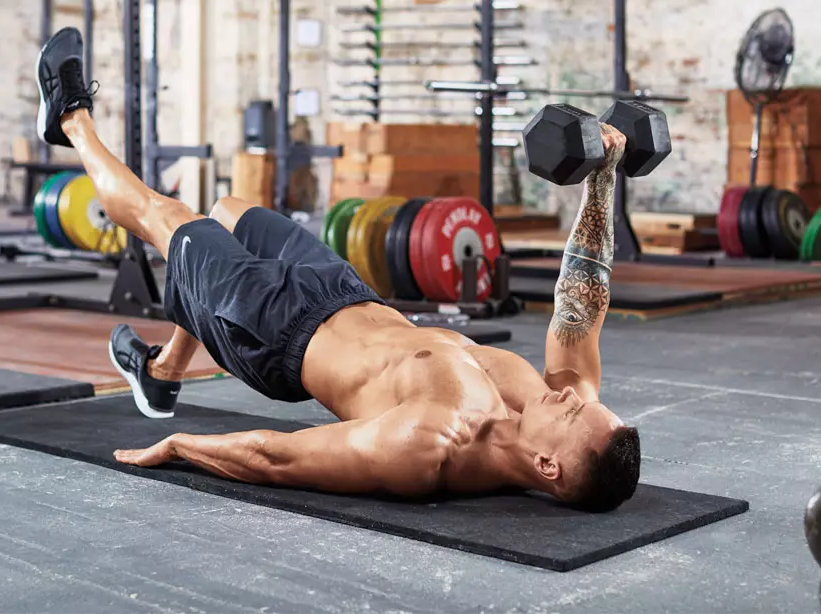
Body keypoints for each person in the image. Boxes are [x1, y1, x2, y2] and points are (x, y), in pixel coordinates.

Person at [36, 28, 640, 512]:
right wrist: (602, 179)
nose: (565, 395)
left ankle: (68, 117)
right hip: (345, 293)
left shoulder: (428, 445)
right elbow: (580, 304)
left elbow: (283, 458)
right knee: (228, 212)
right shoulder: (559, 402)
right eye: (578, 401)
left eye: (569, 412)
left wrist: (181, 447)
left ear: (547, 465)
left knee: (161, 214)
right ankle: (164, 372)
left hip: (271, 328)